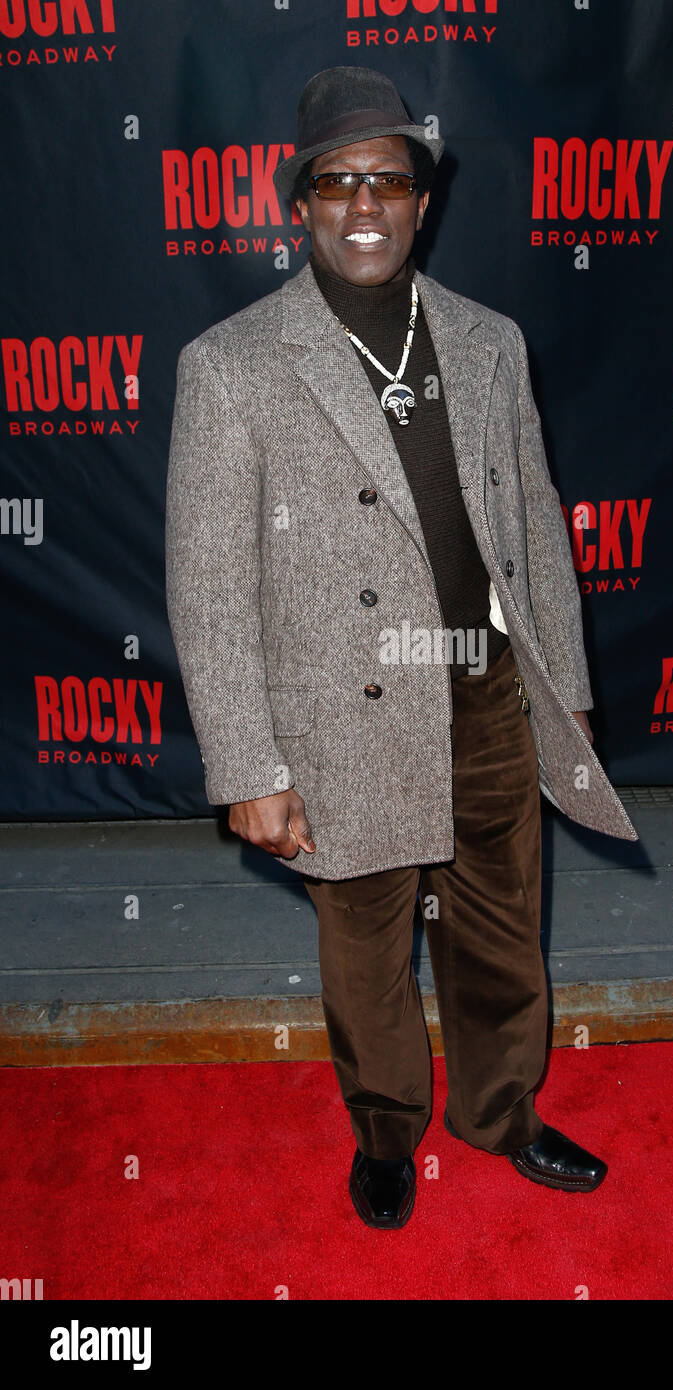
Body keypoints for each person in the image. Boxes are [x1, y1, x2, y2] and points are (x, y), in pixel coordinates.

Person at [165, 65, 637, 1231]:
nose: (363, 204)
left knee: (498, 927)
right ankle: (385, 1126)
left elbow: (534, 521)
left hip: (480, 695)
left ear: (421, 200)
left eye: (386, 179)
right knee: (365, 944)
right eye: (336, 182)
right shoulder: (231, 367)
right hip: (339, 709)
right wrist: (248, 766)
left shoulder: (486, 342)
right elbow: (210, 586)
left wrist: (560, 690)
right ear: (301, 202)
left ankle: (501, 1110)